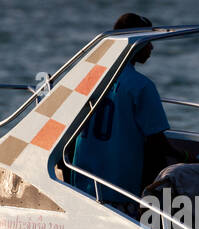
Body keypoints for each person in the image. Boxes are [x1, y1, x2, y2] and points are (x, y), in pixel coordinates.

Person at [73, 13, 186, 204]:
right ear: (134, 43)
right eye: (147, 41)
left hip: (80, 188)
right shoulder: (140, 86)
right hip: (120, 191)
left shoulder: (84, 79)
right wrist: (185, 156)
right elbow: (157, 142)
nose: (151, 47)